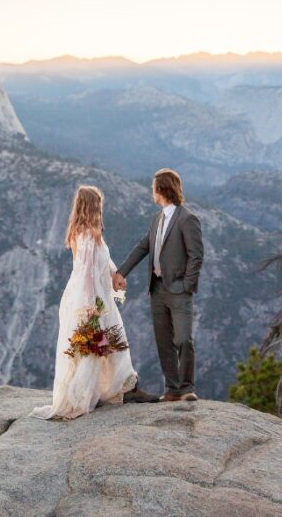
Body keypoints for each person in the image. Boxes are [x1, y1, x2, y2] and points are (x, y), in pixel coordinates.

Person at [30, 185, 138, 420]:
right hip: (90, 298)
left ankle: (110, 390)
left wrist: (115, 276)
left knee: (102, 345)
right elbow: (87, 272)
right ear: (92, 206)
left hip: (95, 296)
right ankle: (87, 396)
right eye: (99, 205)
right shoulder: (87, 235)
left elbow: (104, 260)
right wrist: (91, 307)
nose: (101, 210)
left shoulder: (90, 232)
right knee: (92, 348)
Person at [113, 168, 204, 402]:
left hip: (179, 291)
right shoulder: (157, 219)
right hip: (157, 289)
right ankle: (173, 390)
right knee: (164, 342)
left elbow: (196, 256)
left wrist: (186, 285)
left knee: (183, 339)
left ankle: (187, 388)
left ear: (161, 189)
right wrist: (121, 272)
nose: (151, 192)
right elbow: (143, 247)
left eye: (153, 188)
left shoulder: (187, 219)